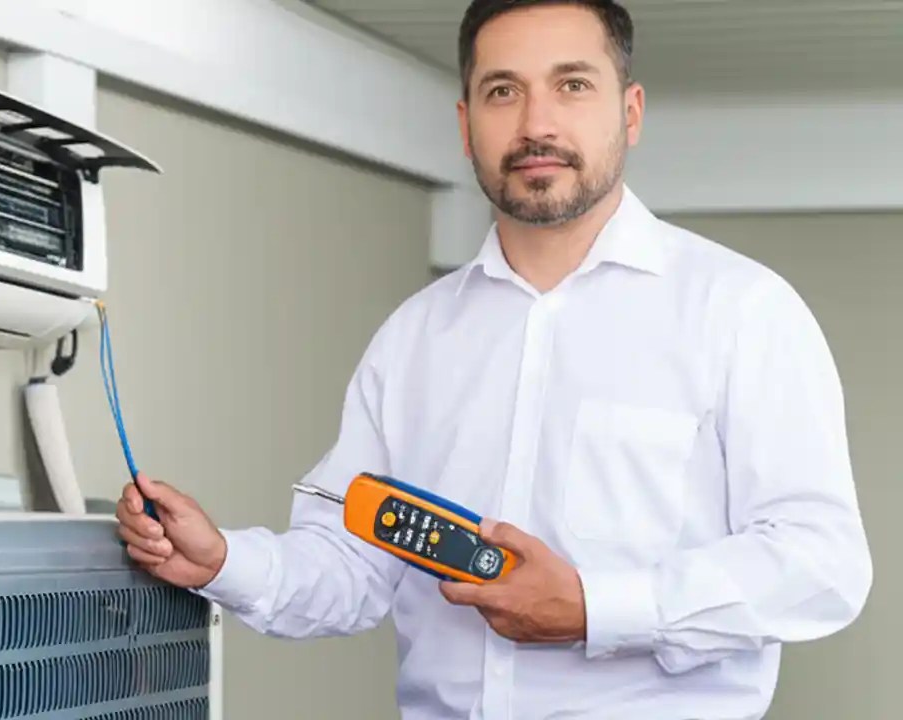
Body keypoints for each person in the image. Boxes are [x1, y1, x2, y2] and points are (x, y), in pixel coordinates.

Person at [114, 0, 873, 717]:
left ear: (630, 112)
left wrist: (592, 606)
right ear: (466, 121)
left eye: (572, 85)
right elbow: (350, 565)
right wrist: (221, 563)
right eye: (503, 90)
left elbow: (820, 567)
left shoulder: (741, 311)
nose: (536, 123)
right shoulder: (413, 339)